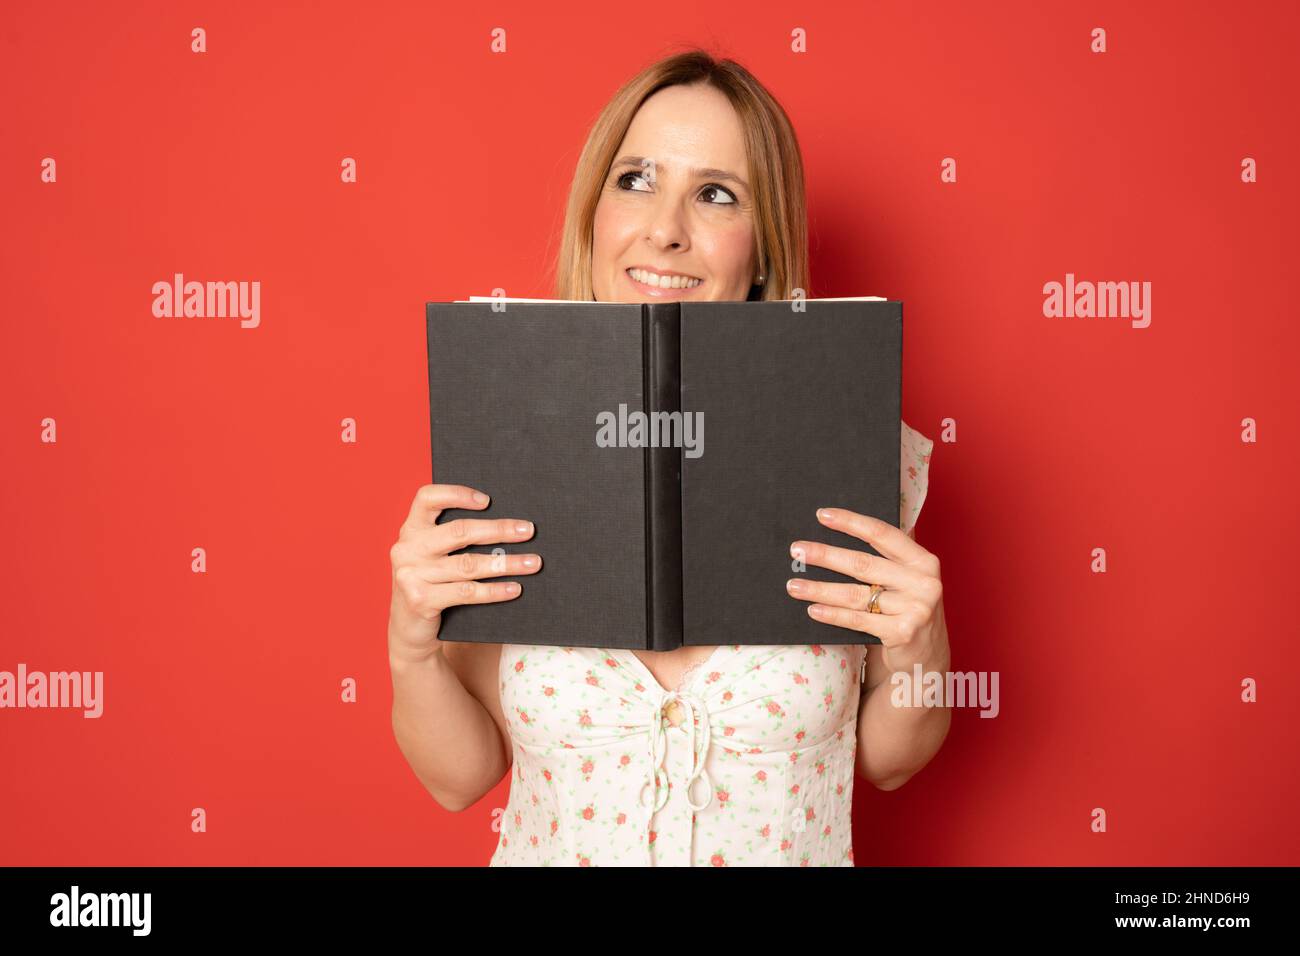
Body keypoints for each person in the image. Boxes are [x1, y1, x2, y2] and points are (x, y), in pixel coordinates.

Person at [389, 49, 951, 866]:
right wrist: (410, 646)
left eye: (716, 195)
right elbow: (460, 776)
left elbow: (888, 761)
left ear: (763, 251)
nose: (665, 229)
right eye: (637, 179)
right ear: (594, 213)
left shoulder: (856, 445)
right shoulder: (509, 438)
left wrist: (922, 649)